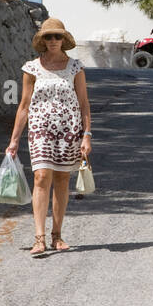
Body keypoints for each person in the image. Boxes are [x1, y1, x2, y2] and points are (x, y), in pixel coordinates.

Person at [7, 18, 92, 256]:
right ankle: (39, 238)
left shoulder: (76, 67)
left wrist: (86, 135)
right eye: (48, 37)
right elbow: (23, 106)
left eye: (57, 36)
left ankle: (57, 235)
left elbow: (84, 103)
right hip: (40, 129)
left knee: (63, 180)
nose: (53, 41)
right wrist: (14, 140)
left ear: (64, 40)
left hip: (69, 130)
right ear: (42, 41)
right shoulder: (31, 68)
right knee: (41, 176)